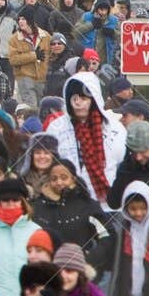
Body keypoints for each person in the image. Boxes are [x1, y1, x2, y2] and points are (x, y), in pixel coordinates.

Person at [48, 72, 126, 202]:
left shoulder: (114, 128)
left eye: (83, 98)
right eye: (74, 98)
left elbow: (122, 163)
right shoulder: (57, 128)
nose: (78, 103)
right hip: (69, 202)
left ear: (93, 100)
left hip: (110, 202)